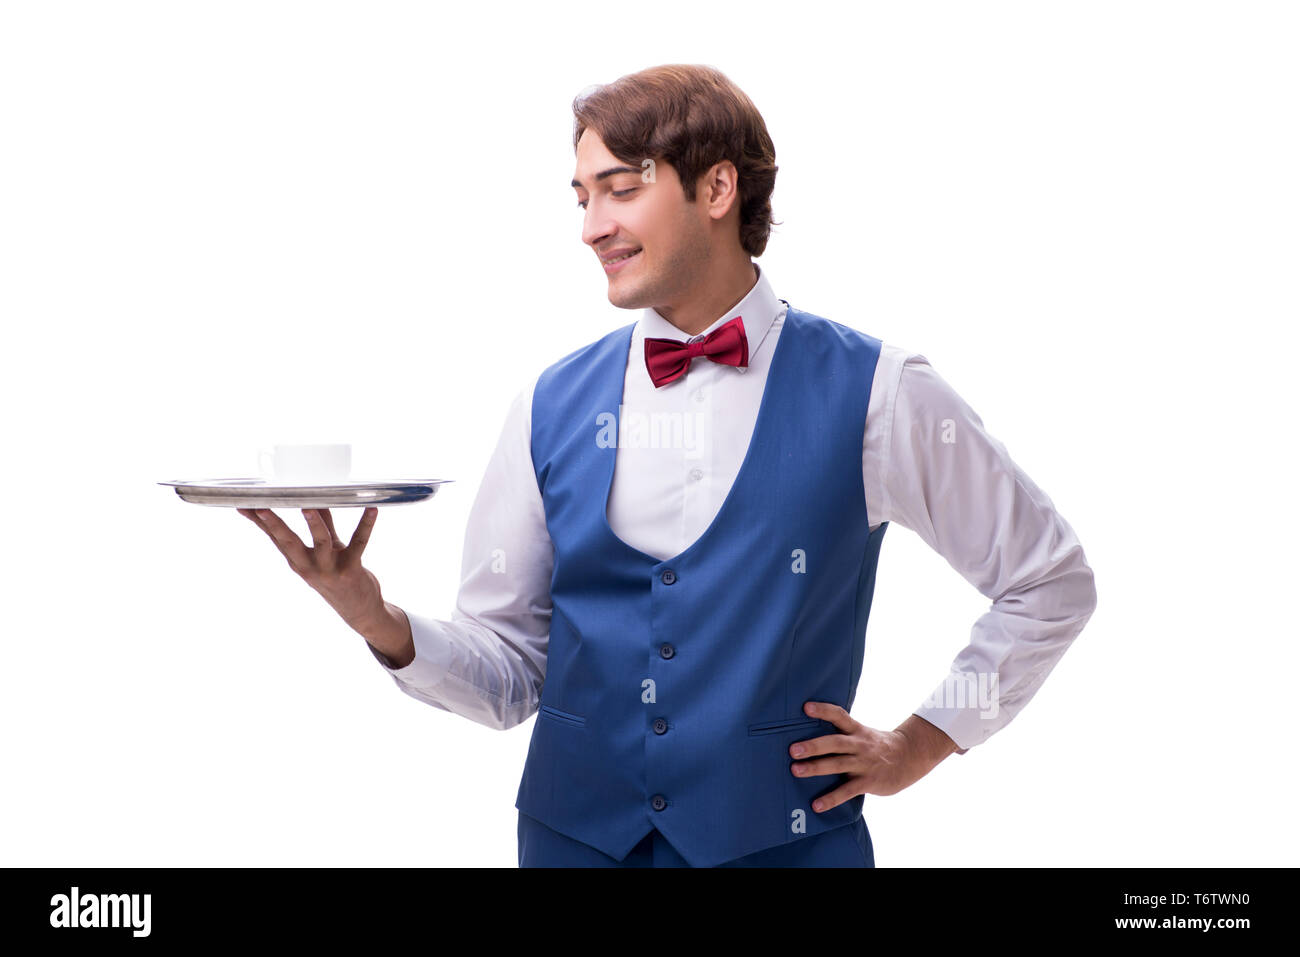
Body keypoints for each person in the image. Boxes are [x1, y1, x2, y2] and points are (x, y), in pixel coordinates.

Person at [239, 63, 1098, 868]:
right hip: (569, 841)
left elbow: (1049, 582)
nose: (591, 227)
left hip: (787, 844)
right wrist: (376, 618)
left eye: (622, 188)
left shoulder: (881, 392)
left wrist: (922, 741)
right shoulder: (548, 404)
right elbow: (507, 677)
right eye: (581, 197)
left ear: (717, 188)